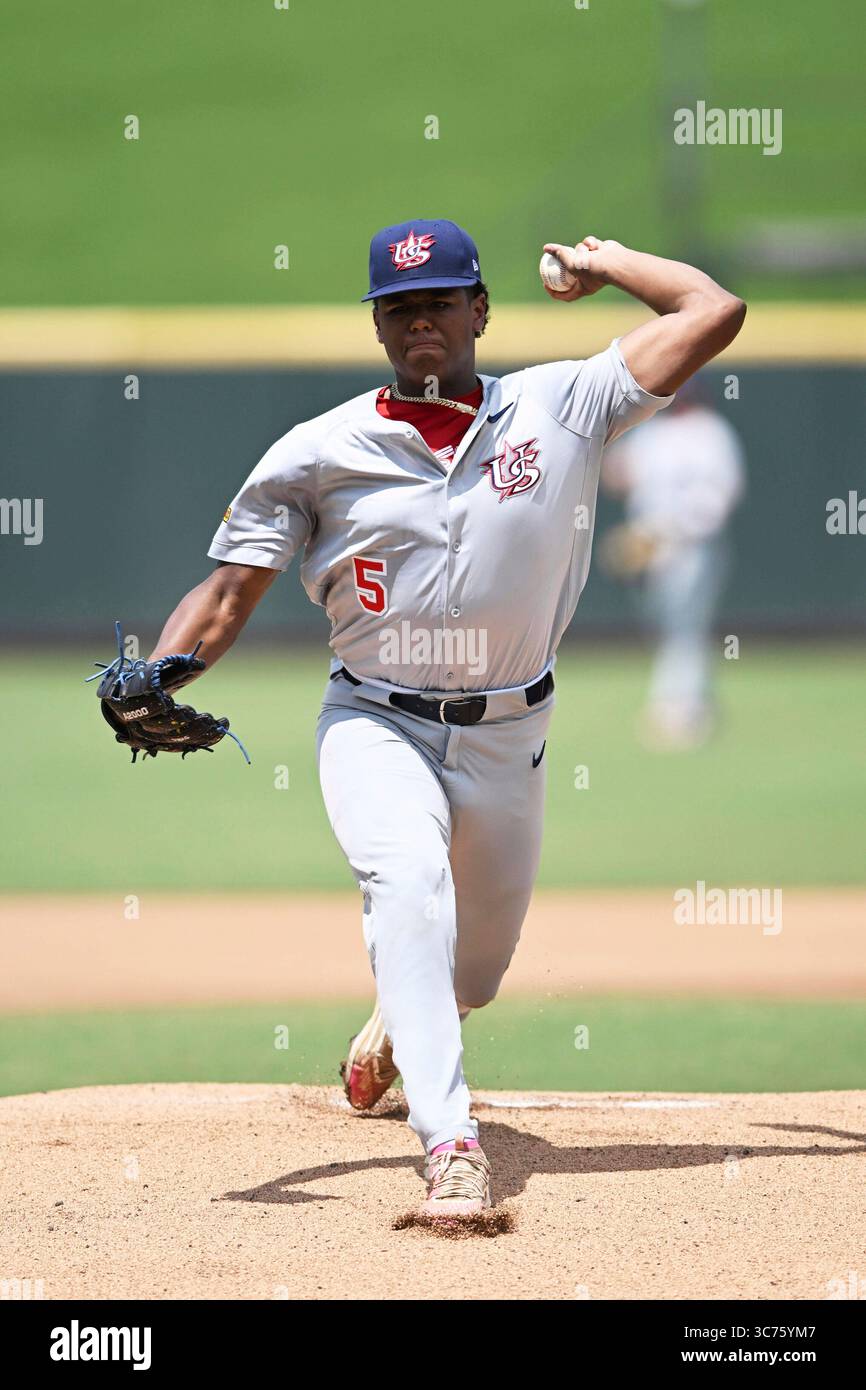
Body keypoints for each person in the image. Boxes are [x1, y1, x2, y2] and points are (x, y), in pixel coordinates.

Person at [121, 220, 746, 1218]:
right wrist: (160, 667)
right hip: (375, 720)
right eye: (401, 306)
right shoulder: (316, 453)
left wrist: (602, 264)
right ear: (377, 324)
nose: (421, 321)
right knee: (404, 878)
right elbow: (229, 592)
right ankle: (450, 1143)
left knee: (478, 973)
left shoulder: (564, 404)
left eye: (440, 300)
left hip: (509, 735)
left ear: (478, 310)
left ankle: (397, 1027)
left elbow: (711, 311)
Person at [600, 380, 746, 748]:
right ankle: (692, 702)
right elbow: (620, 475)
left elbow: (721, 496)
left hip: (693, 545)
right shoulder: (653, 431)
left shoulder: (712, 433)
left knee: (685, 628)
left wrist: (671, 529)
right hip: (648, 548)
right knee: (665, 628)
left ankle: (678, 711)